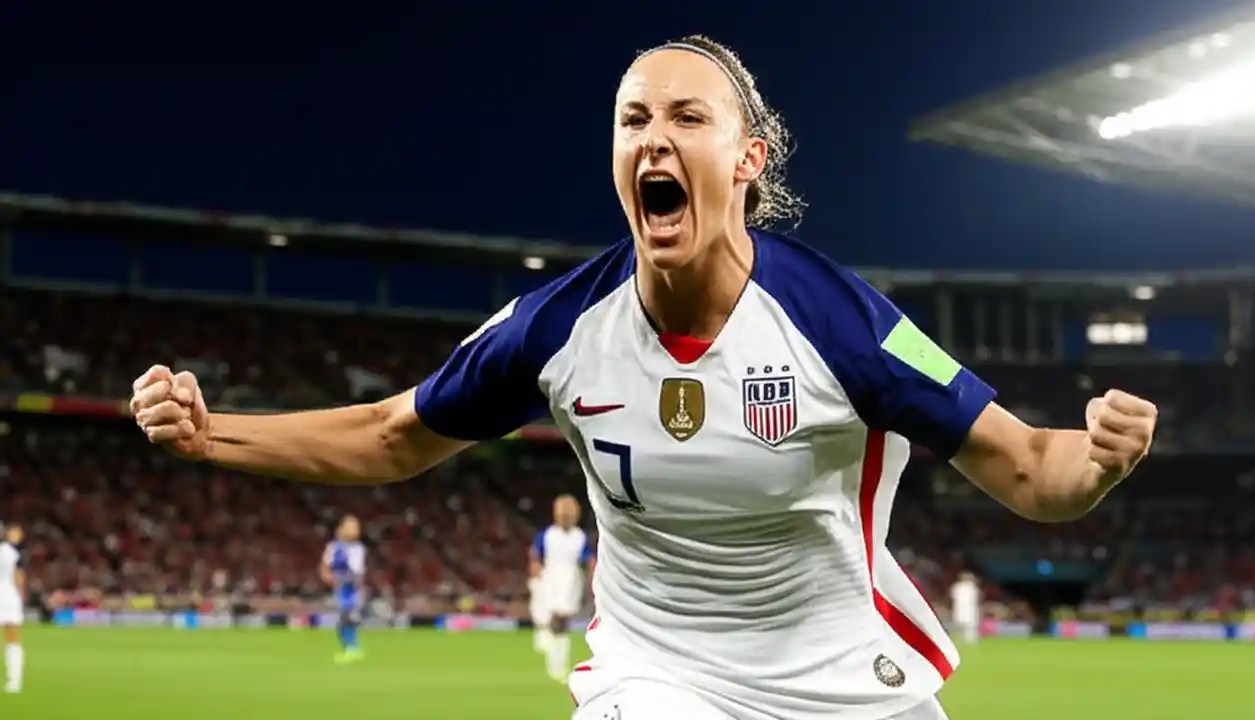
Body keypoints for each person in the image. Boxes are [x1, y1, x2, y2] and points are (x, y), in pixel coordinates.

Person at [129, 34, 1158, 720]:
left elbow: (1027, 466)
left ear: (747, 159)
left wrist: (1098, 460)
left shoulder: (836, 321)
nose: (653, 137)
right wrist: (212, 434)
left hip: (842, 683)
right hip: (655, 676)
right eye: (631, 119)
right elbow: (396, 433)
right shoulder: (557, 326)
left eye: (685, 116)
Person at [529, 494, 595, 683]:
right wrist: (535, 575)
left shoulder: (579, 537)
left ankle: (555, 658)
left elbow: (586, 559)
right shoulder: (547, 535)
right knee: (556, 621)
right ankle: (556, 665)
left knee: (561, 621)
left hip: (571, 581)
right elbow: (535, 556)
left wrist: (592, 574)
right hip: (550, 579)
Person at [319, 515, 366, 664]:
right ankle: (351, 649)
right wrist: (327, 575)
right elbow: (324, 566)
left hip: (351, 590)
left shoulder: (357, 549)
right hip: (341, 590)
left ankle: (352, 650)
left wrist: (336, 579)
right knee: (343, 622)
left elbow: (356, 575)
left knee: (347, 620)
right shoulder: (334, 547)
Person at [0, 523, 25, 694]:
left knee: (12, 638)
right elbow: (19, 577)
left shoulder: (11, 552)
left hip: (7, 596)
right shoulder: (13, 553)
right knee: (12, 638)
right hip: (9, 596)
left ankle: (14, 681)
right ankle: (14, 682)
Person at [948, 572, 981, 645]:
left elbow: (952, 598)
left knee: (961, 628)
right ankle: (970, 643)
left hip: (961, 610)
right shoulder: (972, 588)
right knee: (970, 629)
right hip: (968, 610)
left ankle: (961, 642)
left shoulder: (957, 587)